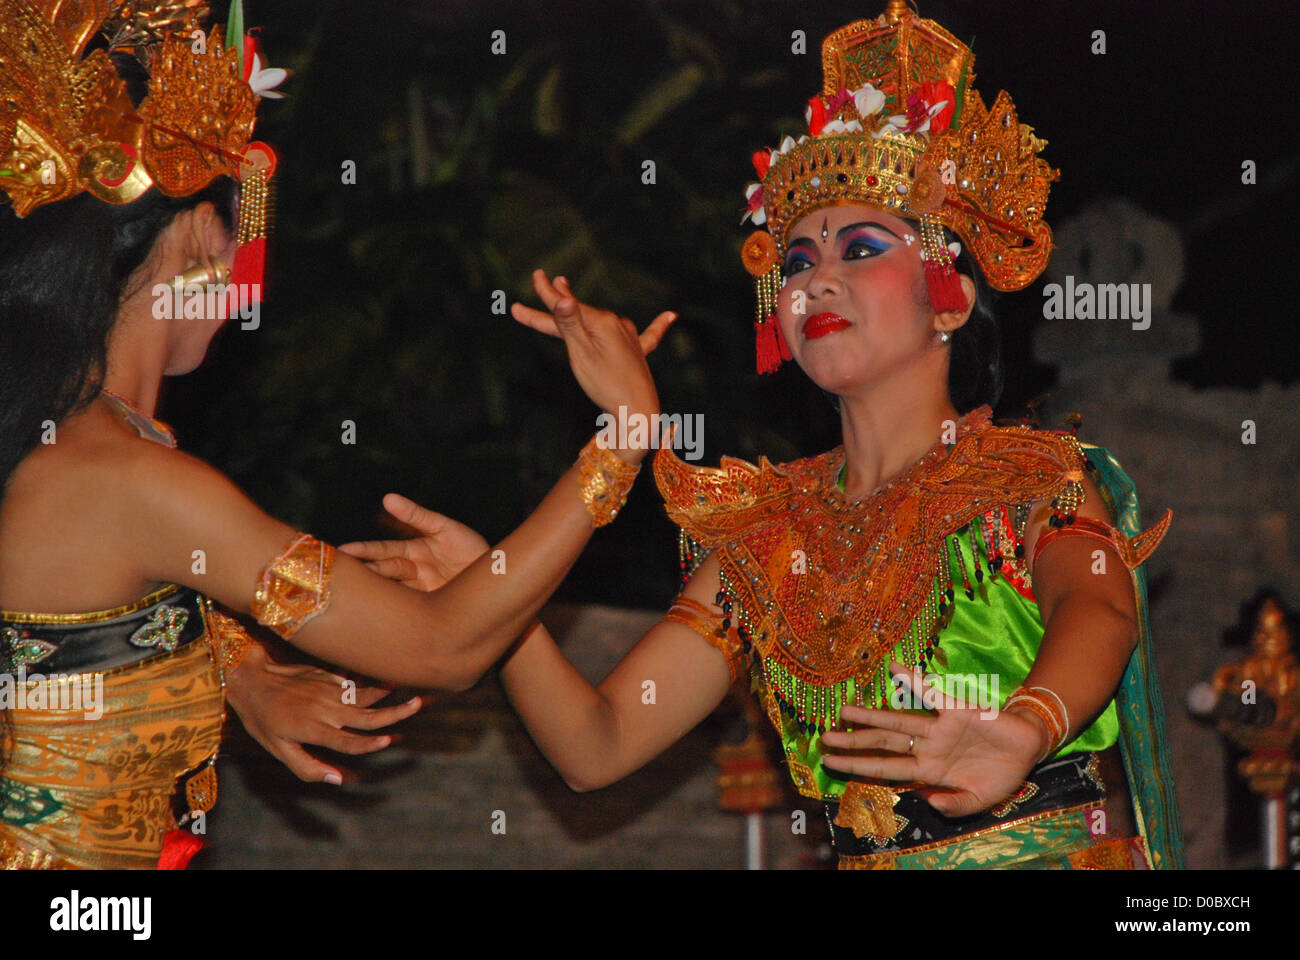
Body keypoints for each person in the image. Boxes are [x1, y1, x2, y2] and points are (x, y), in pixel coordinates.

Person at [346, 2, 1185, 869]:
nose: (817, 281)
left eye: (860, 248)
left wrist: (1023, 729)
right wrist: (502, 604)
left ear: (951, 295)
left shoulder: (1026, 477)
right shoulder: (765, 538)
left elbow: (1100, 606)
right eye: (795, 262)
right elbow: (596, 746)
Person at [0, 2, 671, 869]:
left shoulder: (80, 443)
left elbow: (87, 619)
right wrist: (623, 438)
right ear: (206, 235)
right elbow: (442, 645)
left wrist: (236, 671)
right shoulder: (128, 475)